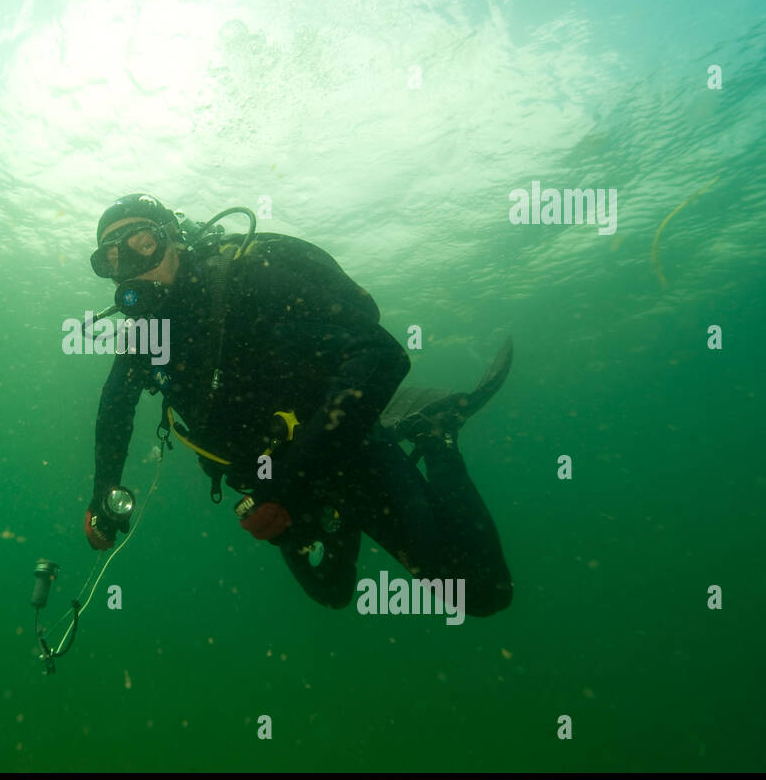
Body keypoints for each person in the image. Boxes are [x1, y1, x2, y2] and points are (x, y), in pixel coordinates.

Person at [82, 193, 513, 616]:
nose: (131, 269)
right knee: (331, 590)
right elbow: (115, 404)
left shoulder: (243, 284)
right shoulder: (145, 335)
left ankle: (435, 435)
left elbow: (381, 353)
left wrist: (291, 483)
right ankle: (338, 515)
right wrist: (103, 491)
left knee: (480, 593)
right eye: (113, 260)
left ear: (174, 240)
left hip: (345, 454)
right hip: (269, 484)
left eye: (143, 245)